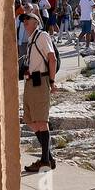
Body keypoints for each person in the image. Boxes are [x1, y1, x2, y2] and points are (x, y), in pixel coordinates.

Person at [19, 12, 58, 173]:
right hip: (31, 81)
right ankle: (48, 158)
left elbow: (52, 58)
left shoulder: (42, 36)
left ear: (36, 22)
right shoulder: (31, 39)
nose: (24, 24)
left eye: (27, 20)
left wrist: (52, 81)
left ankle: (44, 162)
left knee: (41, 121)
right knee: (30, 120)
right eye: (23, 22)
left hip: (40, 81)